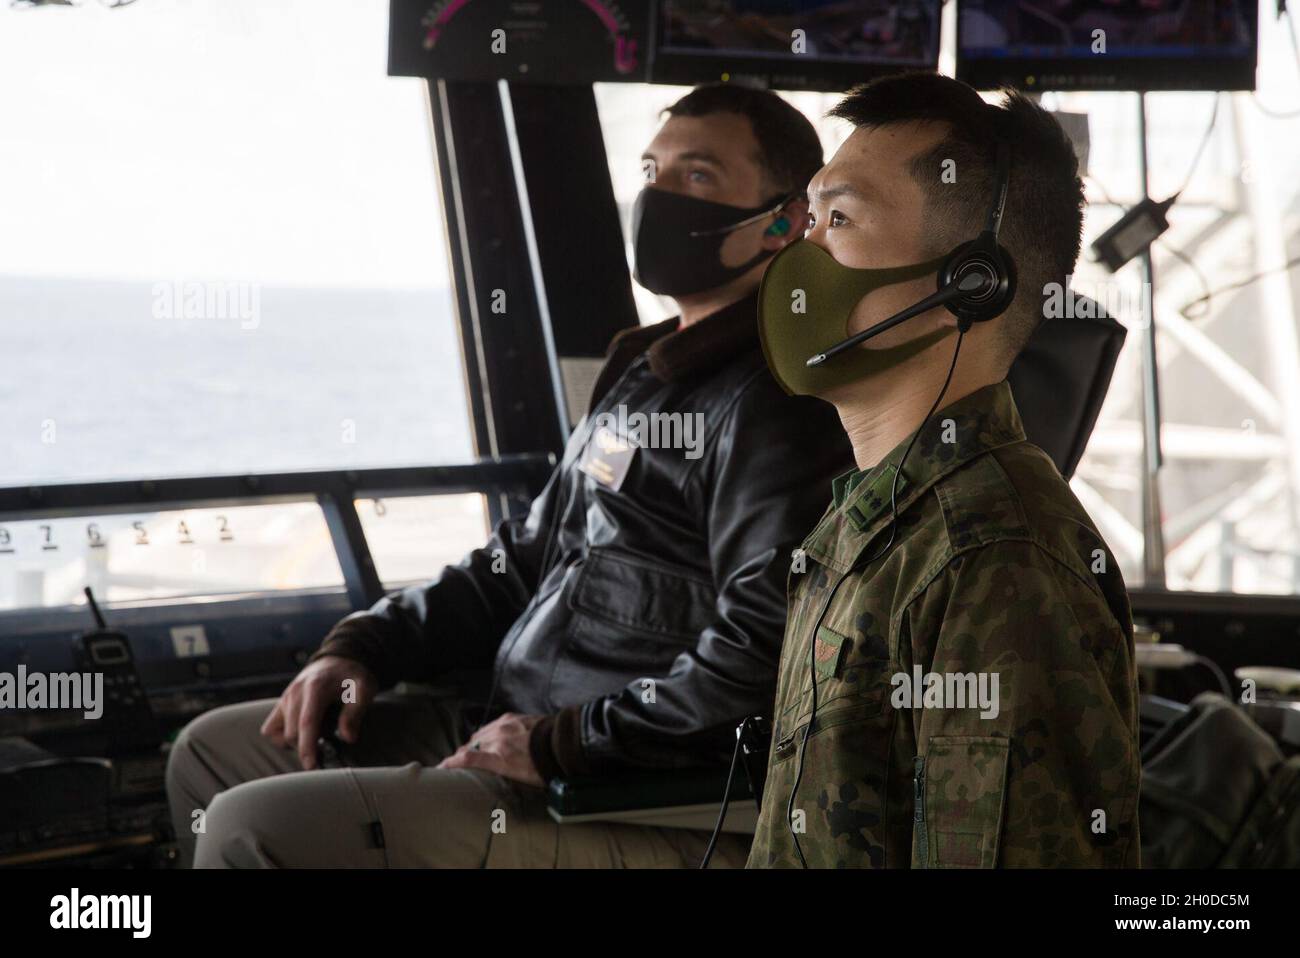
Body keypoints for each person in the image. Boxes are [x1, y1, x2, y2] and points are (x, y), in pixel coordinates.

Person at [166, 83, 854, 868]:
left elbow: (762, 657)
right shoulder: (643, 368)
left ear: (785, 220)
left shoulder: (779, 403)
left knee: (252, 828)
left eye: (696, 175)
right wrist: (362, 646)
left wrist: (563, 746)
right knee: (212, 751)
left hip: (623, 782)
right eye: (651, 168)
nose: (656, 195)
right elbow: (521, 560)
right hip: (517, 720)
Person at [746, 72, 1141, 868]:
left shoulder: (995, 560)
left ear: (971, 284)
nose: (800, 253)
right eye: (809, 217)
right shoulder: (872, 516)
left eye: (840, 219)